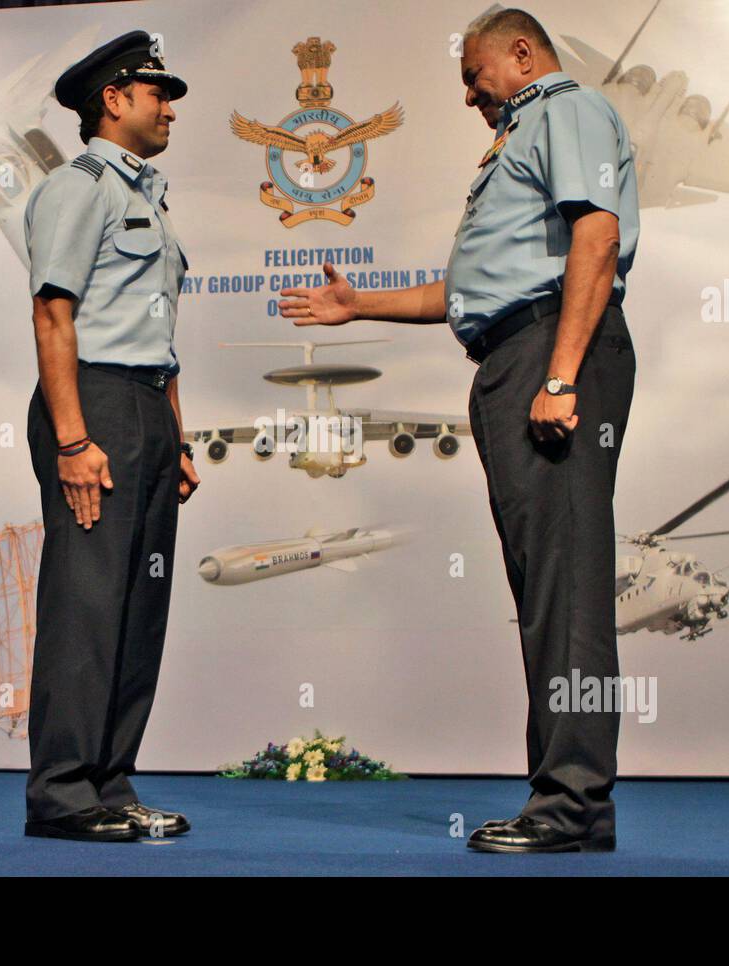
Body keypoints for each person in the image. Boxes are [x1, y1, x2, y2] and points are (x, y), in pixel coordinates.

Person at [279, 7, 639, 853]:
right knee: (544, 590)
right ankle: (571, 801)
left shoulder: (567, 110)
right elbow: (468, 289)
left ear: (521, 53)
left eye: (476, 75)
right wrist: (359, 303)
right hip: (513, 355)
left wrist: (560, 374)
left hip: (554, 348)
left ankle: (573, 801)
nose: (471, 93)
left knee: (568, 585)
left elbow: (597, 232)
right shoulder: (519, 134)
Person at [22, 29, 200, 843]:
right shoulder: (78, 186)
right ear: (114, 100)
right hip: (89, 403)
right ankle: (62, 791)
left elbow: (158, 334)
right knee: (88, 604)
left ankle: (110, 782)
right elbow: (54, 313)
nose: (169, 108)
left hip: (145, 411)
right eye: (158, 93)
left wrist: (179, 436)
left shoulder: (151, 197)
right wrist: (70, 440)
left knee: (137, 608)